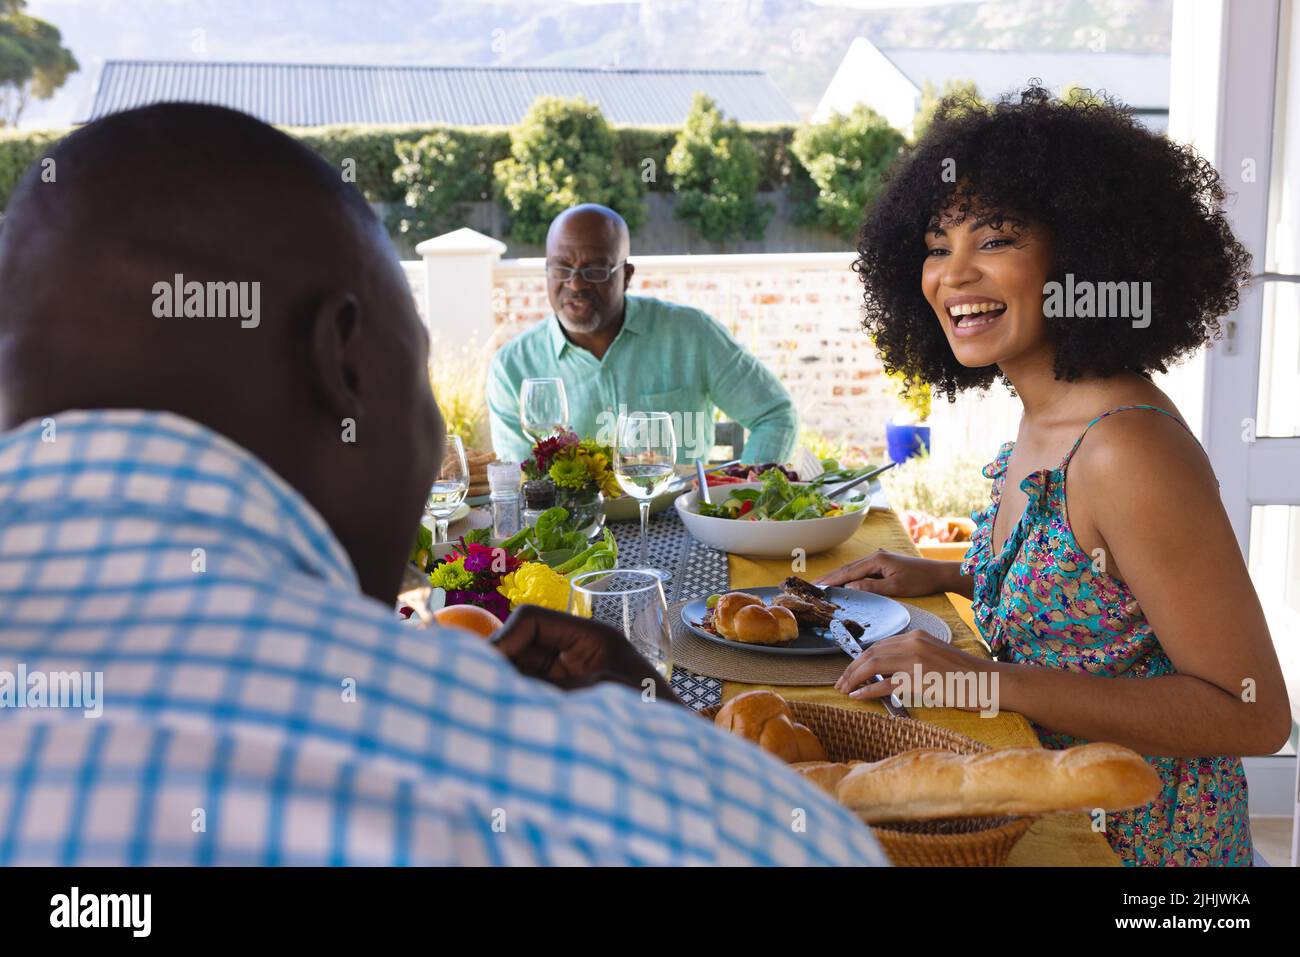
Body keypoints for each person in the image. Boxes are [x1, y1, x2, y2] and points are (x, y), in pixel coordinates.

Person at [0, 103, 886, 867]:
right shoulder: (570, 794)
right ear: (343, 362)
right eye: (416, 359)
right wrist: (657, 736)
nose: (576, 284)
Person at [816, 86, 1292, 866]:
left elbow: (1252, 714)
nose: (953, 274)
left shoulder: (1124, 449)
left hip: (1144, 854)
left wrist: (983, 680)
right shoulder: (1048, 409)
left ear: (1082, 254)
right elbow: (1093, 601)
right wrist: (941, 573)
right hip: (1044, 813)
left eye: (994, 239)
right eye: (938, 246)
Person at [486, 204, 799, 463]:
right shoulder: (512, 368)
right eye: (561, 268)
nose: (575, 284)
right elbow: (522, 478)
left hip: (685, 527)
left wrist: (742, 491)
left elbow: (774, 415)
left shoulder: (692, 335)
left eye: (594, 270)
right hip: (571, 535)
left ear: (626, 275)